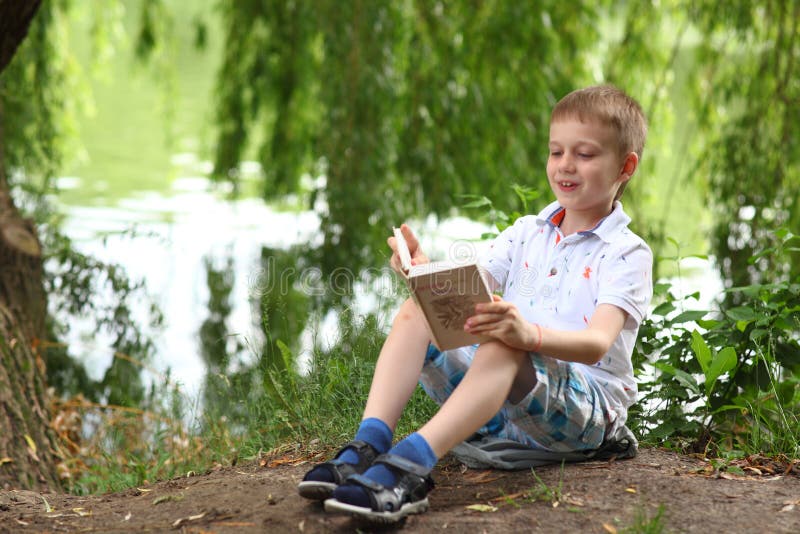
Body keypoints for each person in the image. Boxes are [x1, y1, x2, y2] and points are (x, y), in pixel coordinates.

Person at [298, 84, 653, 523]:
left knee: (507, 340)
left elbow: (597, 342)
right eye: (556, 151)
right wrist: (424, 274)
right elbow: (466, 290)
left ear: (625, 165)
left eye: (584, 154)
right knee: (418, 312)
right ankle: (368, 445)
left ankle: (410, 466)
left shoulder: (625, 252)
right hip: (503, 404)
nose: (565, 165)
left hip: (584, 415)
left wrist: (528, 335)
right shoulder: (527, 231)